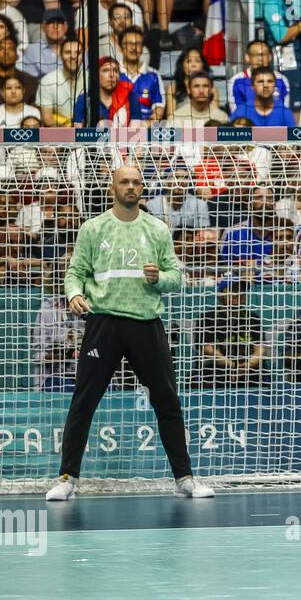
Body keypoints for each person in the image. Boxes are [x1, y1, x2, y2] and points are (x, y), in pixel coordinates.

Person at [45, 166, 214, 501]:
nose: (132, 187)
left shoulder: (157, 228)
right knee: (84, 401)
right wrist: (75, 294)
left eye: (137, 182)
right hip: (103, 323)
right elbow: (75, 272)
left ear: (143, 188)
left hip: (146, 323)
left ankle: (185, 478)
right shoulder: (94, 228)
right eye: (125, 181)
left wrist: (158, 278)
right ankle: (66, 478)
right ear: (113, 187)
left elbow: (175, 278)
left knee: (167, 401)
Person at [194, 279, 265, 388]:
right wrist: (233, 365)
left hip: (247, 368)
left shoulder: (253, 318)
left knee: (260, 374)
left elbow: (259, 349)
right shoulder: (207, 318)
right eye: (233, 289)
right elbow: (208, 349)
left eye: (241, 290)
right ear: (222, 294)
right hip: (217, 368)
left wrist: (247, 365)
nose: (238, 293)